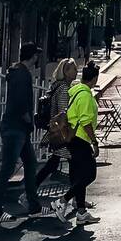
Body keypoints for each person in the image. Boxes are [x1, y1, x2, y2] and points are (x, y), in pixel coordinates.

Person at [0, 42, 44, 225]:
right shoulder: (22, 74)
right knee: (7, 169)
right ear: (32, 56)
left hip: (18, 129)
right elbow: (20, 101)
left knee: (30, 164)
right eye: (36, 55)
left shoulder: (17, 72)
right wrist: (28, 117)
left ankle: (34, 207)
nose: (38, 59)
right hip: (16, 128)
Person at [59, 61, 101, 224]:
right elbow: (85, 121)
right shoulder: (84, 95)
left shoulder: (76, 91)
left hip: (74, 139)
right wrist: (94, 142)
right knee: (90, 174)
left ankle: (81, 212)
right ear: (95, 79)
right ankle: (63, 200)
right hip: (80, 138)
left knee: (79, 176)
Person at [35, 57, 78, 190]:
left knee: (53, 164)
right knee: (73, 163)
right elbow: (63, 113)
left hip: (57, 131)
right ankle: (76, 198)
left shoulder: (57, 86)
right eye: (74, 69)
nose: (76, 71)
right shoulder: (64, 89)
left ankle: (76, 197)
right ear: (66, 72)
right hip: (62, 133)